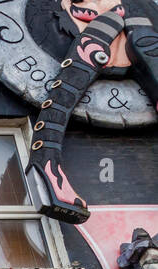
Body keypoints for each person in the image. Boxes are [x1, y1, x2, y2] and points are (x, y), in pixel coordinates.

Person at [26, 0, 158, 222]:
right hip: (109, 31)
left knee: (134, 41)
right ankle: (45, 164)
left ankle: (45, 164)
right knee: (97, 49)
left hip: (120, 29)